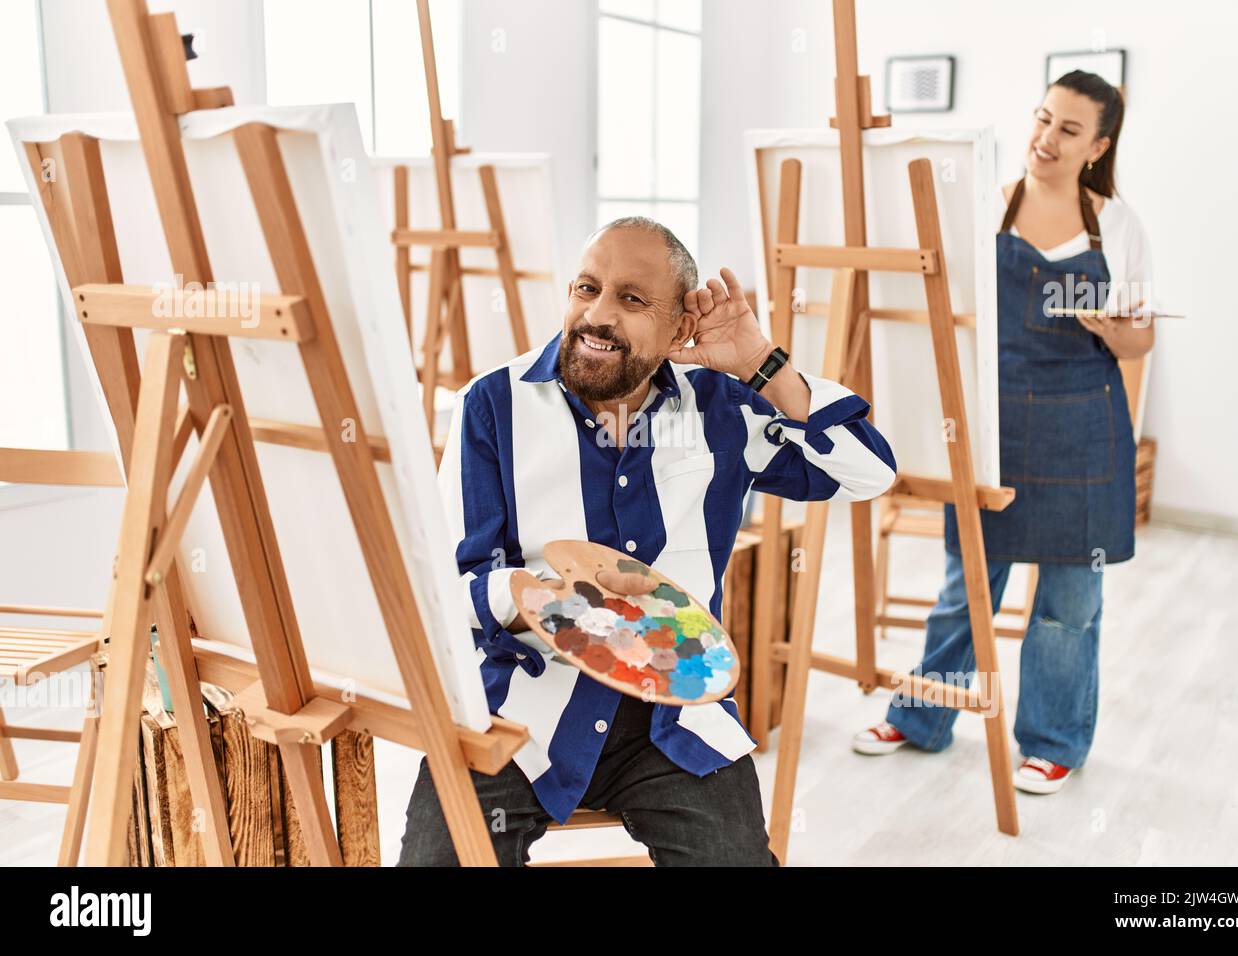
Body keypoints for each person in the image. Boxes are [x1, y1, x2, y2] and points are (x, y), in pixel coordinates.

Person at [400, 216, 897, 865]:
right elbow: (449, 590)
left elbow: (868, 472)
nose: (598, 315)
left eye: (632, 300)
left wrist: (761, 364)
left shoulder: (723, 407)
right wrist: (520, 593)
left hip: (674, 718)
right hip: (520, 708)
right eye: (586, 288)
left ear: (680, 327)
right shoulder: (492, 406)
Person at [854, 71, 1155, 795]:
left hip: (1084, 431)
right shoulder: (989, 207)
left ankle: (1051, 742)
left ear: (1099, 146)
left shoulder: (1117, 223)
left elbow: (1143, 341)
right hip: (999, 431)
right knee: (968, 586)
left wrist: (1111, 327)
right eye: (1042, 119)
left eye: (1068, 130)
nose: (1045, 141)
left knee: (1068, 607)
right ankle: (923, 712)